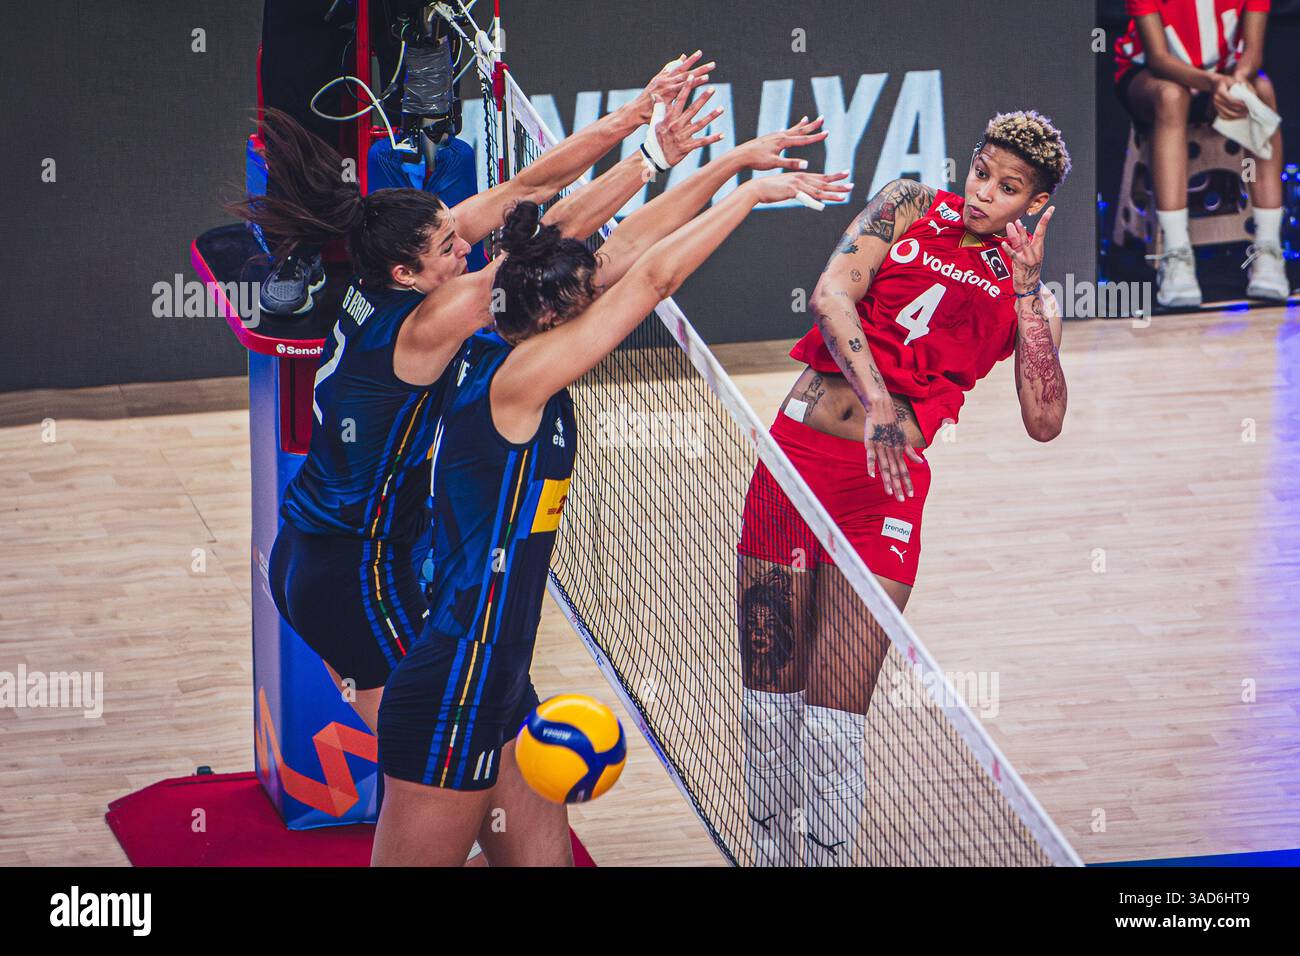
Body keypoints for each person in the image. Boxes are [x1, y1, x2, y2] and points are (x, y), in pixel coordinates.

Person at [371, 165, 850, 866]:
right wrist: (747, 196)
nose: (597, 306)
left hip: (499, 681)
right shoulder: (516, 382)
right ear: (550, 317)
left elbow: (627, 248)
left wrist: (730, 164)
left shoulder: (499, 334)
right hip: (454, 685)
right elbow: (651, 280)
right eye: (583, 303)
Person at [227, 55, 713, 739]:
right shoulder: (427, 322)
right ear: (409, 272)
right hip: (352, 570)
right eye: (450, 251)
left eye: (458, 238)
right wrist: (647, 162)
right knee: (438, 750)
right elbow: (560, 240)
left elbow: (530, 187)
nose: (465, 251)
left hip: (320, 550)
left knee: (471, 742)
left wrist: (640, 120)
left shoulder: (388, 268)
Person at [736, 111, 1071, 865]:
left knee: (831, 720)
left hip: (881, 493)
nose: (983, 192)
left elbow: (1045, 420)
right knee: (768, 704)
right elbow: (830, 296)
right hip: (794, 464)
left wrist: (1024, 293)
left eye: (1008, 187)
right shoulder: (910, 203)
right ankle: (764, 856)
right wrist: (882, 402)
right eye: (982, 171)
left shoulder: (1035, 302)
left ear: (1037, 206)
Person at [1114, 0, 1289, 305]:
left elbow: (1253, 52)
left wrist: (1235, 82)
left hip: (1225, 76)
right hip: (1154, 77)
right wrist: (1211, 83)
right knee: (1171, 96)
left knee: (1262, 91)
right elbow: (1158, 59)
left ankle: (1268, 250)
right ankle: (1176, 255)